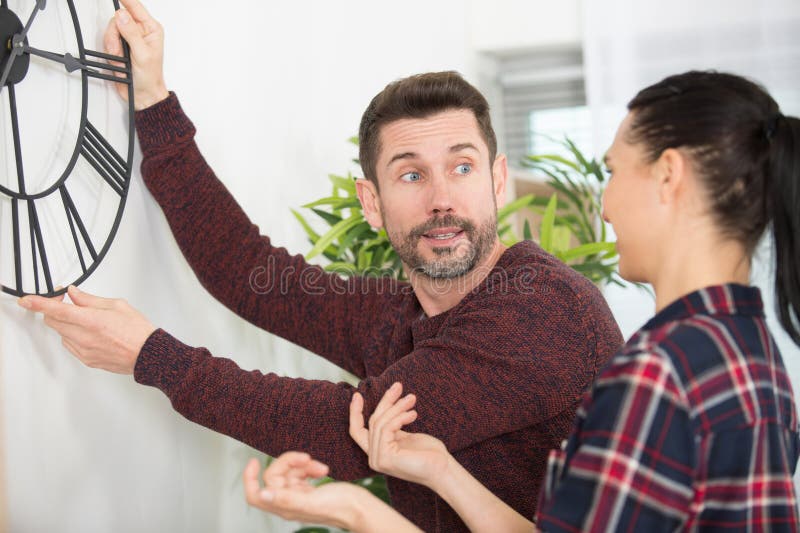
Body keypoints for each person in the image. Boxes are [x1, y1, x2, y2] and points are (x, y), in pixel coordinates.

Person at [16, 0, 622, 530]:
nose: (441, 197)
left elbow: (347, 430)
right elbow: (247, 271)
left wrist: (151, 355)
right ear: (372, 203)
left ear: (497, 180)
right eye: (411, 174)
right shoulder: (404, 312)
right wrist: (153, 100)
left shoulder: (542, 308)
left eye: (461, 167)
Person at [242, 70, 800, 531]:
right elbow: (256, 279)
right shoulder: (748, 355)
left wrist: (361, 513)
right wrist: (443, 471)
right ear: (374, 199)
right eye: (412, 174)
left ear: (668, 177)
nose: (603, 208)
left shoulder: (657, 374)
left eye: (610, 172)